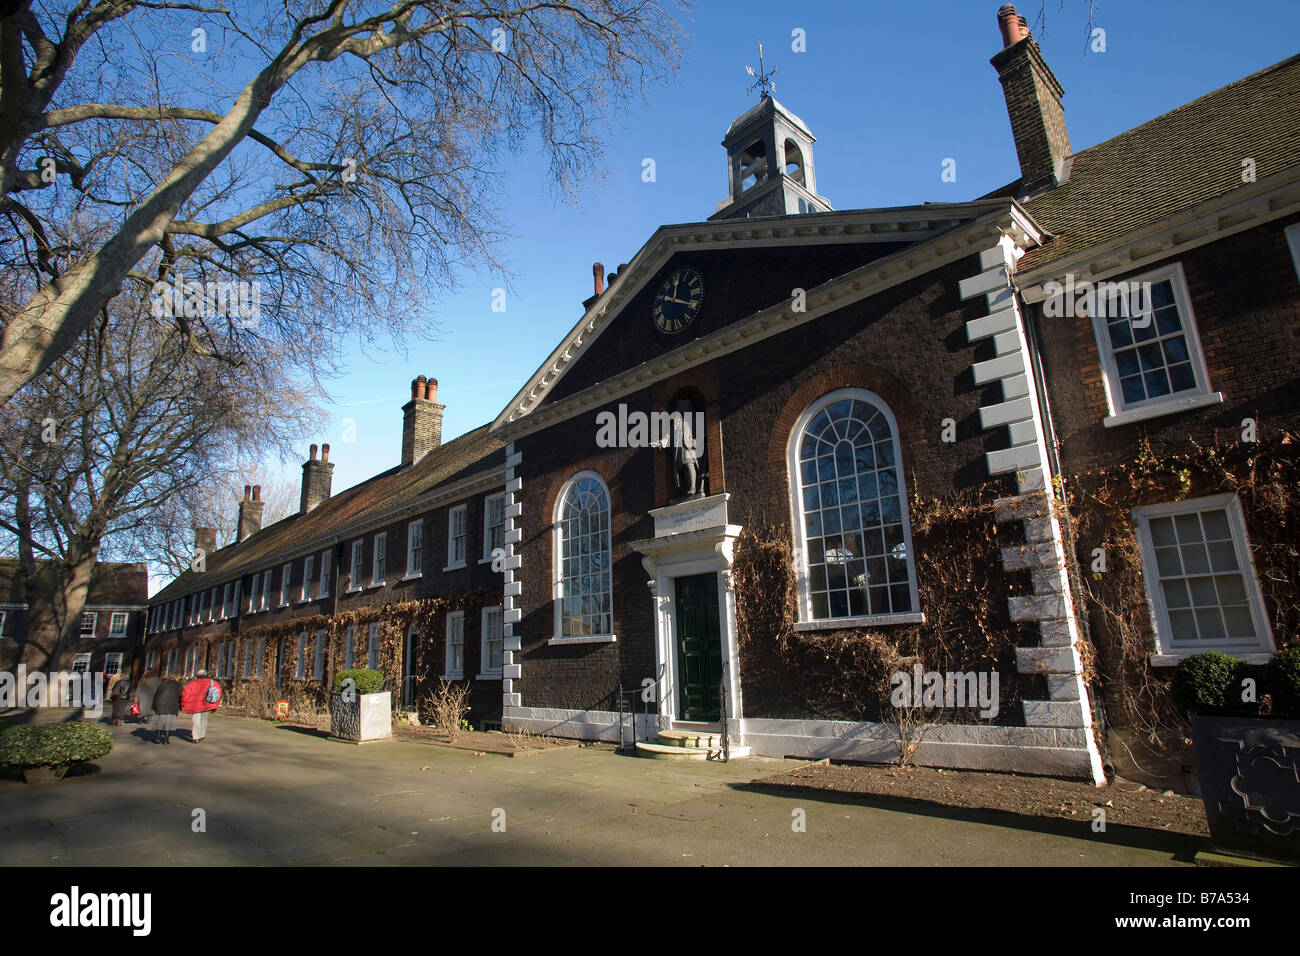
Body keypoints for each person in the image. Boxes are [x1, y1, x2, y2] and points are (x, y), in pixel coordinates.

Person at [181, 669, 222, 743]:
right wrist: (216, 703)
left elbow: (185, 695)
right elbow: (218, 693)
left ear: (198, 675)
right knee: (204, 720)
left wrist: (183, 704)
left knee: (196, 720)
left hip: (195, 705)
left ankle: (196, 737)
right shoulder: (213, 683)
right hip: (207, 704)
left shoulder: (192, 684)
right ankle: (202, 735)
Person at [152, 676, 183, 745]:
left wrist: (154, 706)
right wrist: (181, 706)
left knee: (160, 720)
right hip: (172, 705)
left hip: (160, 705)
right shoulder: (178, 685)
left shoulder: (162, 684)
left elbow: (156, 695)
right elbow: (181, 696)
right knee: (169, 722)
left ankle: (157, 738)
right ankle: (166, 739)